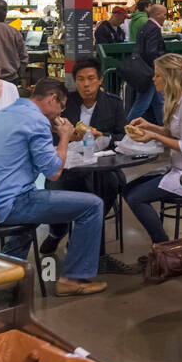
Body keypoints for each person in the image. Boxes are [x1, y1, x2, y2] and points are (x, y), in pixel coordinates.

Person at [0, 78, 106, 296]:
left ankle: (4, 271)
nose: (58, 114)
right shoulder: (36, 121)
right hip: (9, 205)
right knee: (93, 205)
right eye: (61, 107)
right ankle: (71, 280)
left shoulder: (1, 115)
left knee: (35, 200)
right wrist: (64, 138)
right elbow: (54, 173)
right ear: (53, 99)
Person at [41, 59, 137, 275]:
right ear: (75, 82)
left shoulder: (113, 103)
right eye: (81, 80)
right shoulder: (66, 103)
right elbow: (50, 133)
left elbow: (122, 136)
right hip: (71, 164)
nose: (86, 84)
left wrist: (101, 135)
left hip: (103, 165)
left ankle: (85, 242)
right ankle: (57, 231)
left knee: (110, 185)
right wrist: (68, 136)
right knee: (57, 187)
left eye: (91, 79)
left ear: (100, 80)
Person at [122, 54, 182, 261]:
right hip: (181, 167)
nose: (153, 79)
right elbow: (177, 134)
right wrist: (150, 126)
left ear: (169, 77)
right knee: (127, 189)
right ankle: (163, 247)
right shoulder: (180, 100)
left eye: (157, 75)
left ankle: (164, 249)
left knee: (136, 197)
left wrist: (154, 136)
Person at [127, 2, 168, 125]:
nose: (166, 17)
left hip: (145, 70)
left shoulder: (145, 27)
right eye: (164, 14)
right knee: (142, 104)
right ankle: (125, 129)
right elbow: (151, 52)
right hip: (151, 72)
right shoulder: (154, 29)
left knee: (159, 102)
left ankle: (164, 128)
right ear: (157, 14)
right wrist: (159, 69)